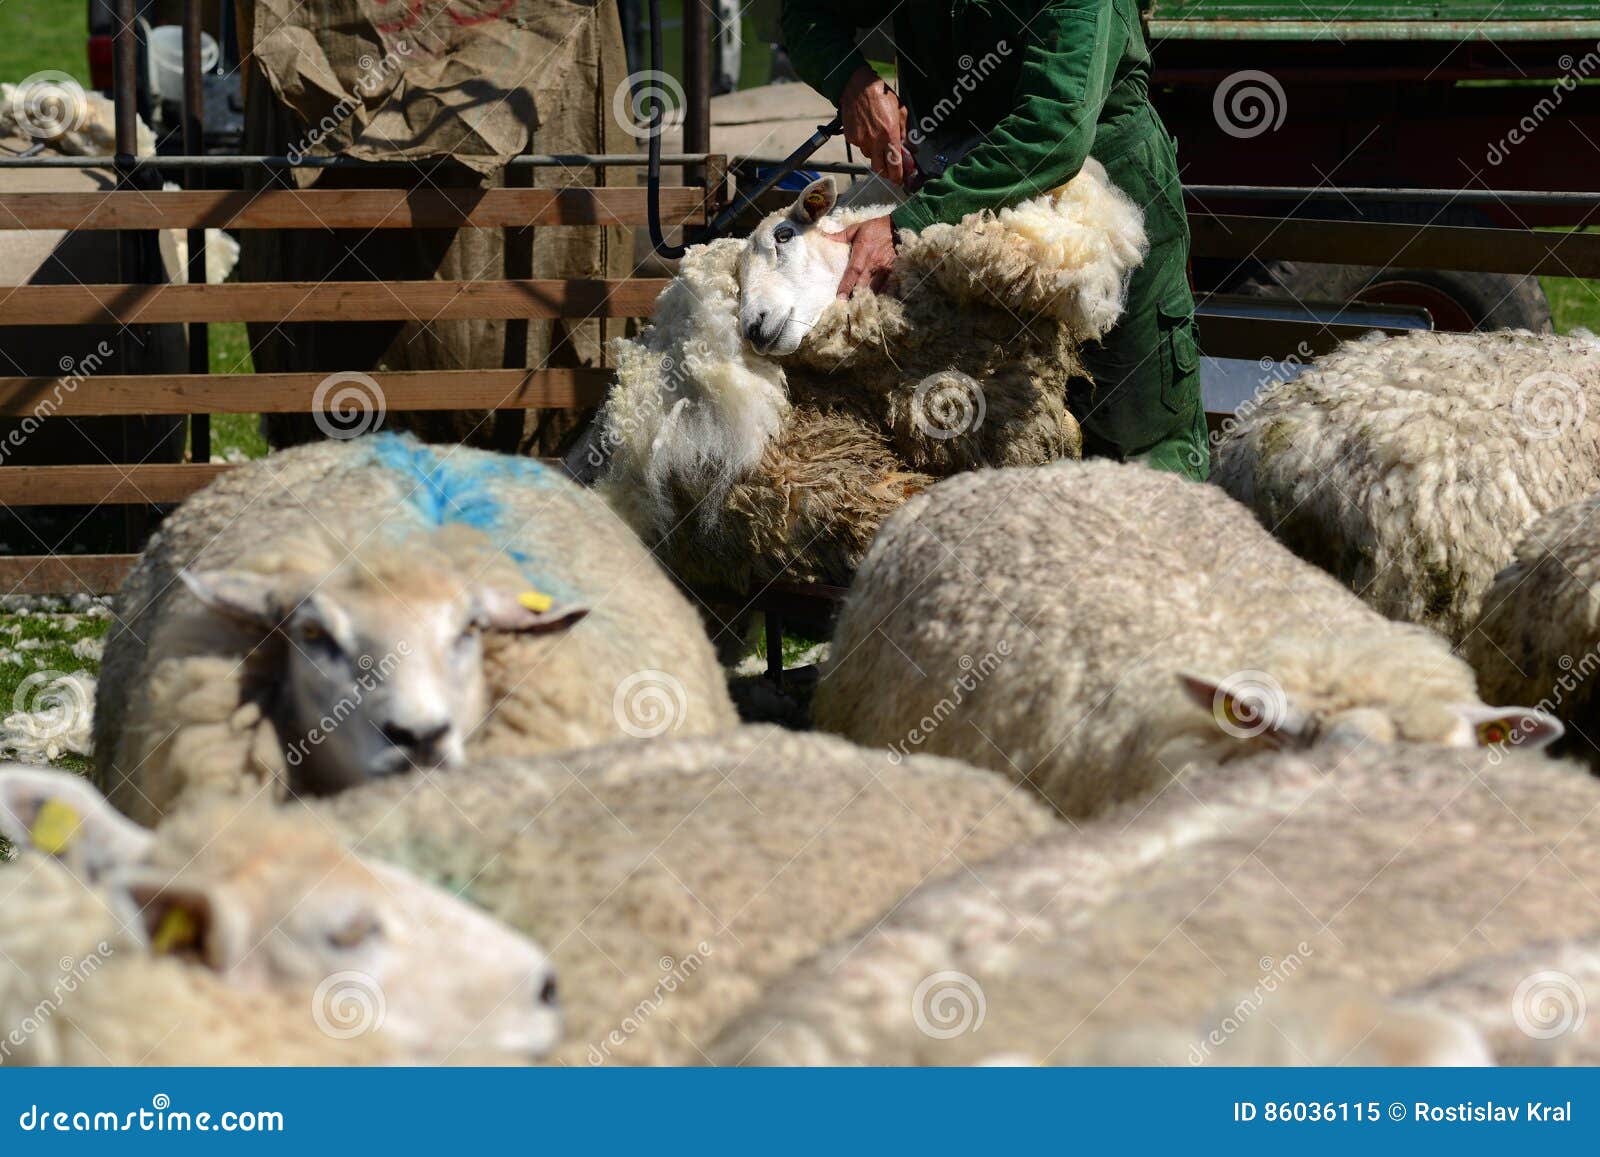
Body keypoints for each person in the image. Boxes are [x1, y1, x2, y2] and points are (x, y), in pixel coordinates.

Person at [781, 0, 1207, 479]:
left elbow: (1054, 125)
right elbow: (808, 11)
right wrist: (852, 82)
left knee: (1135, 450)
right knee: (968, 444)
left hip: (1097, 211)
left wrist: (906, 224)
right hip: (955, 204)